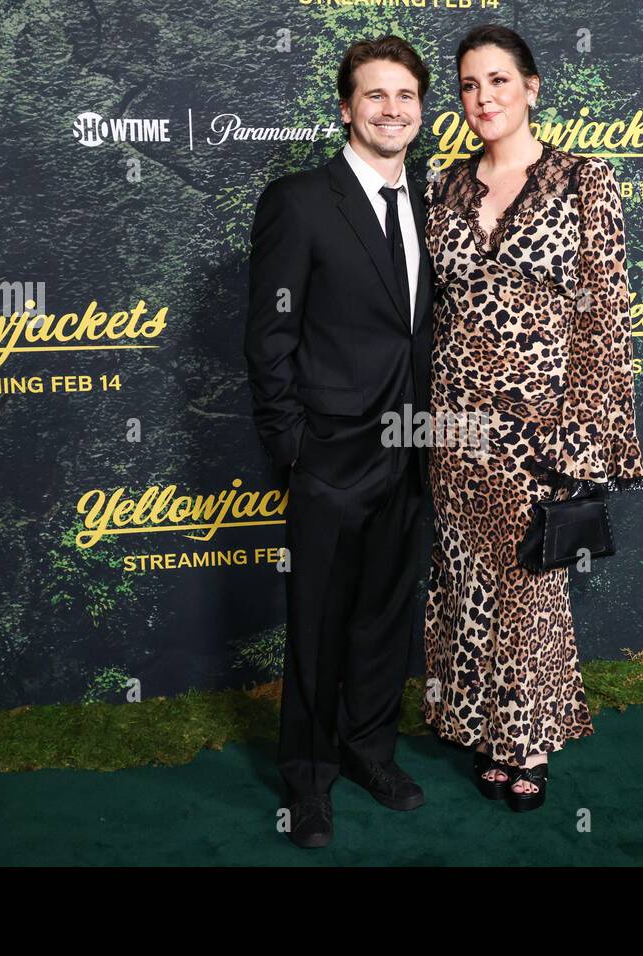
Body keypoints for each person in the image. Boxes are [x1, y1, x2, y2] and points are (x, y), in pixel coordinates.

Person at [421, 24, 643, 812]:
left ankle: (529, 742)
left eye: (498, 82)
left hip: (538, 427)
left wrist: (584, 439)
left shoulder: (586, 181)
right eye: (468, 87)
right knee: (465, 580)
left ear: (533, 88)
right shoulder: (439, 188)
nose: (482, 98)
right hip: (452, 427)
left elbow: (604, 319)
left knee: (527, 587)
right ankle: (484, 728)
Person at [244, 34, 434, 848]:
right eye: (375, 96)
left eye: (406, 97)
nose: (392, 111)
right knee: (318, 626)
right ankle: (310, 780)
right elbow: (270, 335)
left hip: (416, 448)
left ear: (421, 109)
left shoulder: (433, 200)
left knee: (386, 618)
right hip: (330, 454)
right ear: (347, 107)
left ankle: (368, 752)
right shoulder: (300, 199)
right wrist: (293, 445)